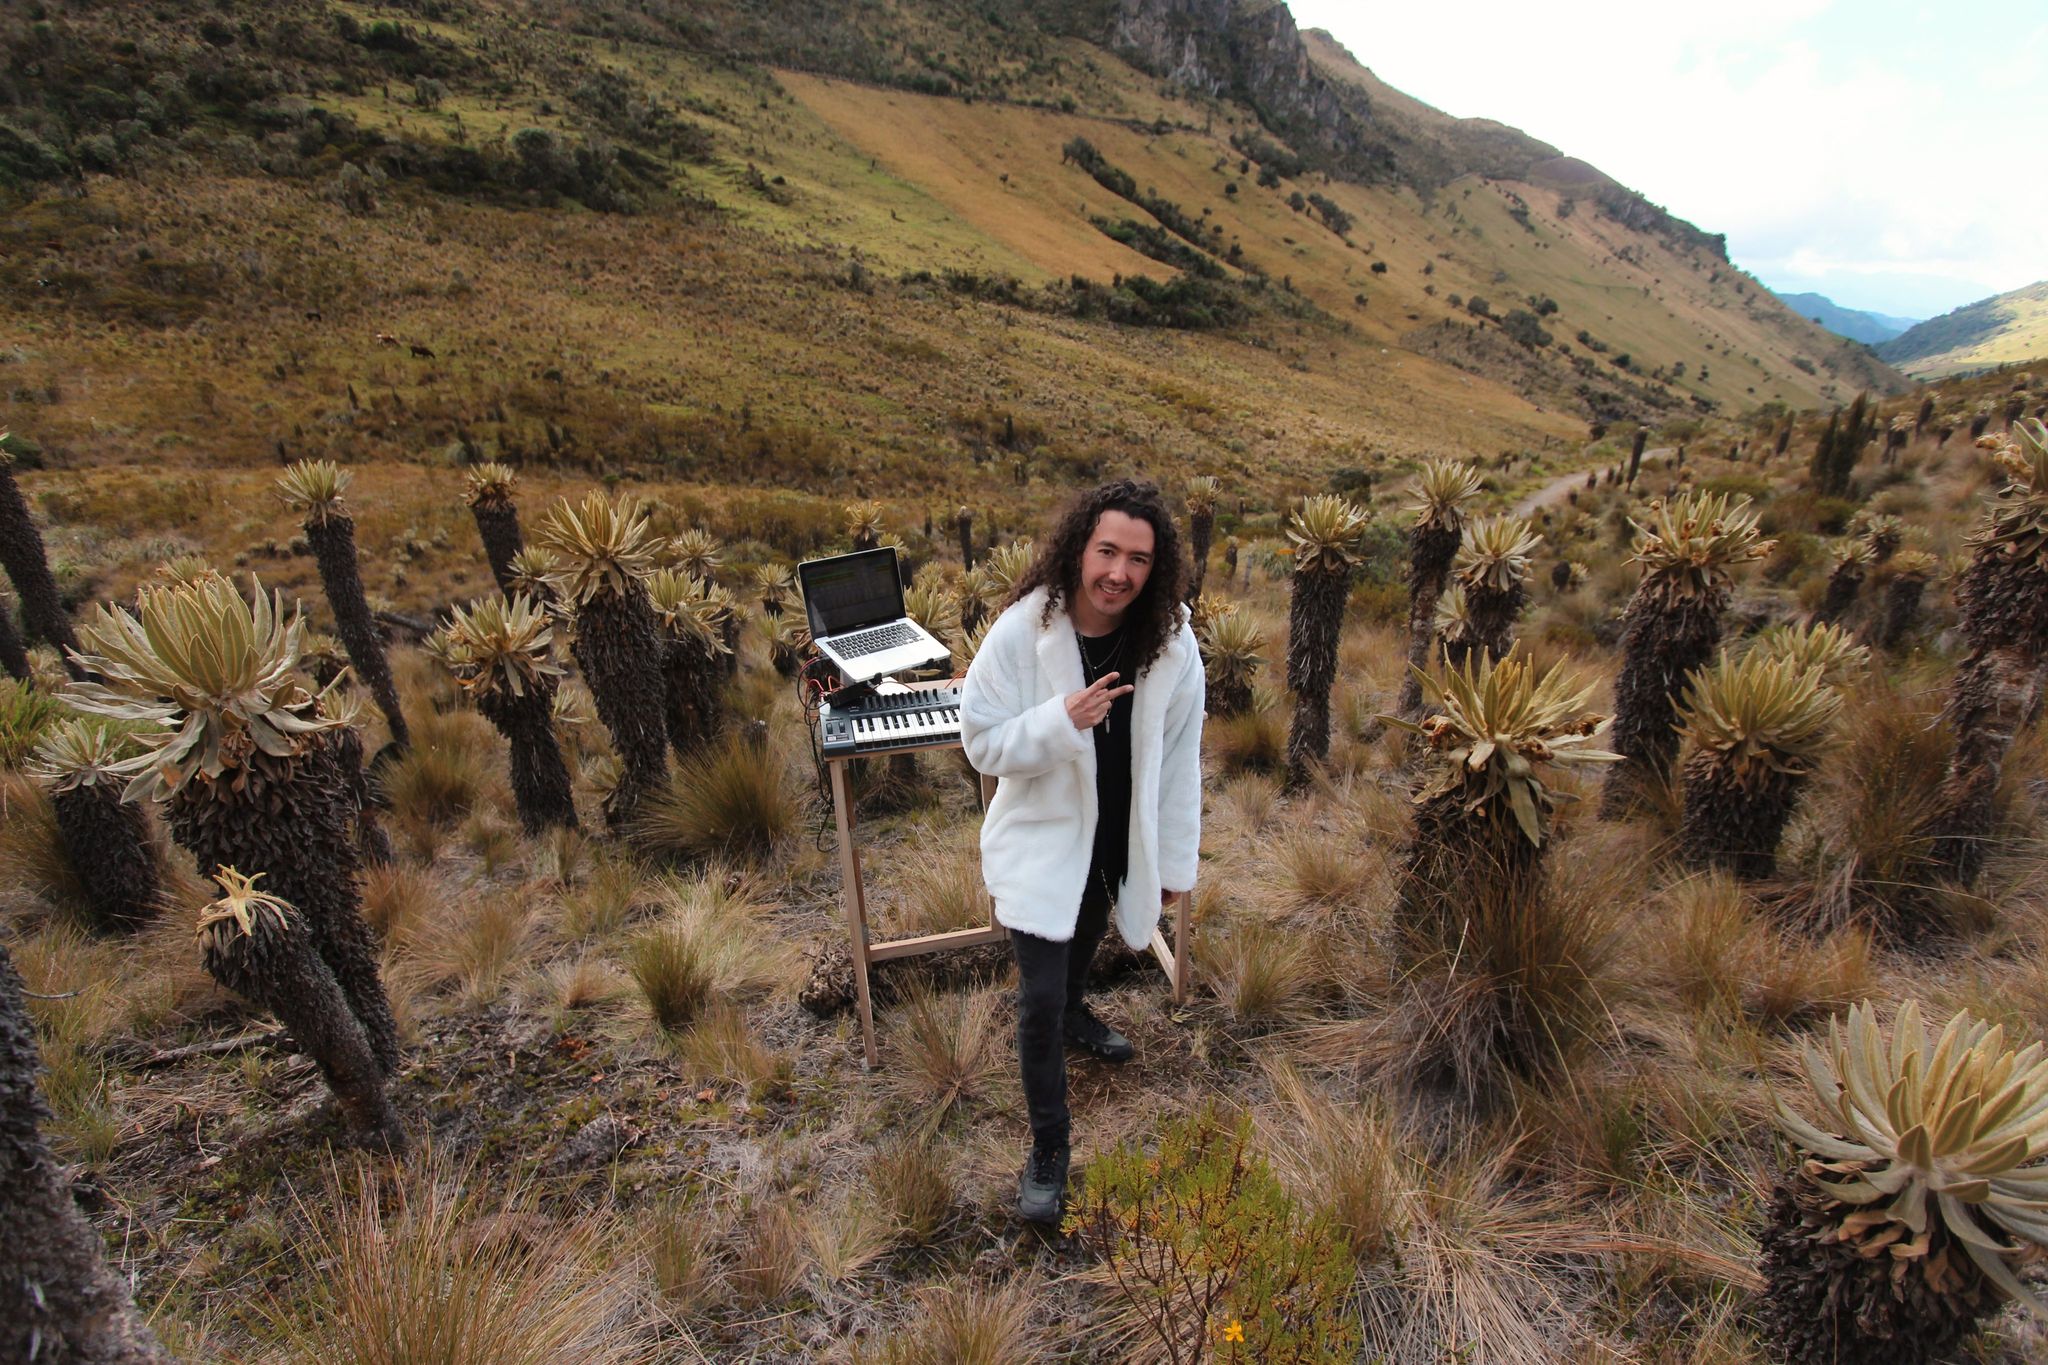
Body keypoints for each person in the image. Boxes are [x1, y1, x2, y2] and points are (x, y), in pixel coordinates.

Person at [959, 479, 1205, 1223]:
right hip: (1042, 842)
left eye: (1138, 558)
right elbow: (980, 739)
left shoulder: (1171, 640)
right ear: (1080, 547)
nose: (1119, 573)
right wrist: (1057, 721)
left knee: (1082, 950)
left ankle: (1075, 1012)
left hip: (1118, 842)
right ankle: (1049, 1146)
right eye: (1107, 551)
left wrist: (1168, 864)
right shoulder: (1022, 629)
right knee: (1034, 997)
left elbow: (1180, 758)